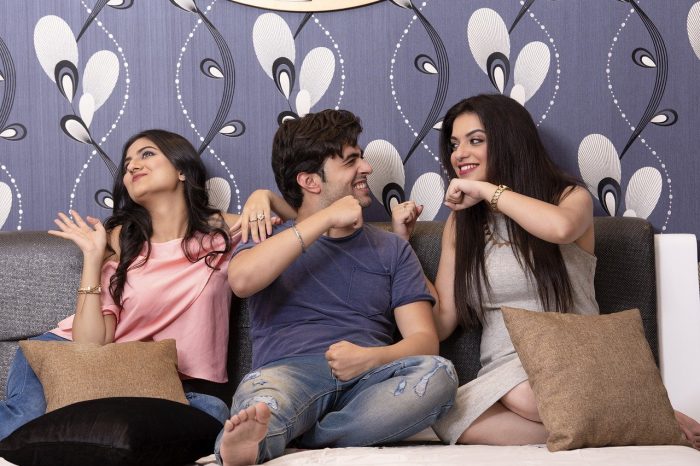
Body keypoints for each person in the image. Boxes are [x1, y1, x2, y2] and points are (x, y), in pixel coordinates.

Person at [427, 94, 700, 449]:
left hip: (572, 360)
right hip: (504, 372)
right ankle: (634, 422)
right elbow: (442, 322)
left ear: (509, 141)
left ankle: (621, 417)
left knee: (525, 393)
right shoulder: (461, 224)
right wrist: (401, 259)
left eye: (475, 140)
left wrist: (484, 189)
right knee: (450, 416)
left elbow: (560, 228)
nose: (459, 154)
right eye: (454, 145)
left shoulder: (569, 197)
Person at [0, 129, 294, 441]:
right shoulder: (124, 250)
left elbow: (304, 230)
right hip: (69, 358)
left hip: (167, 384)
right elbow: (89, 345)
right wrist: (93, 259)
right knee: (21, 425)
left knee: (212, 412)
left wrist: (267, 198)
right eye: (127, 164)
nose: (133, 166)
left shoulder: (225, 238)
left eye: (147, 154)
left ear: (182, 170)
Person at [216, 109, 458, 466]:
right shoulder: (267, 234)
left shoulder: (392, 248)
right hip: (287, 374)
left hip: (368, 380)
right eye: (351, 160)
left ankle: (309, 434)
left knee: (438, 375)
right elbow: (241, 281)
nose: (366, 168)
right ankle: (250, 444)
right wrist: (326, 217)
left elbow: (424, 340)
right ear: (311, 181)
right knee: (263, 404)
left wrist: (371, 358)